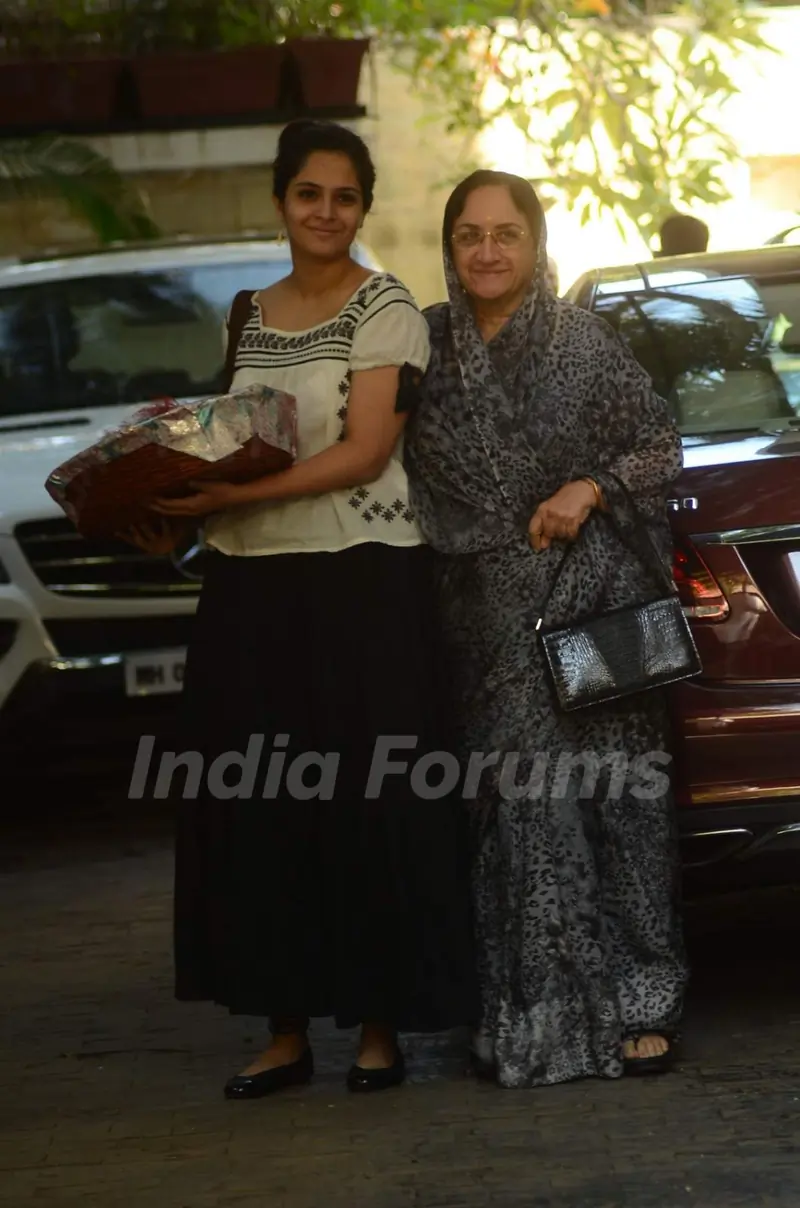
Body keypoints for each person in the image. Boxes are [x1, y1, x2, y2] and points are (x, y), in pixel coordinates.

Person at [124, 119, 478, 1098]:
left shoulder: (386, 306)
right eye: (308, 193)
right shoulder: (246, 312)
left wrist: (225, 500)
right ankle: (280, 1031)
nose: (326, 211)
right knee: (254, 806)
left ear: (362, 209)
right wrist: (178, 523)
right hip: (248, 589)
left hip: (360, 582)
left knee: (363, 805)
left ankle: (375, 1030)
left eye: (344, 196)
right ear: (280, 201)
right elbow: (233, 442)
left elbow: (363, 452)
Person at [404, 169, 689, 1089]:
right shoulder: (426, 349)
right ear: (449, 249)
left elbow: (658, 439)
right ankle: (529, 1011)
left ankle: (644, 1004)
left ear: (534, 243)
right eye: (468, 236)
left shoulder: (584, 342)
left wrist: (589, 486)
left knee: (621, 804)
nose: (487, 252)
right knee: (518, 814)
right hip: (484, 617)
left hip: (596, 606)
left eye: (506, 234)